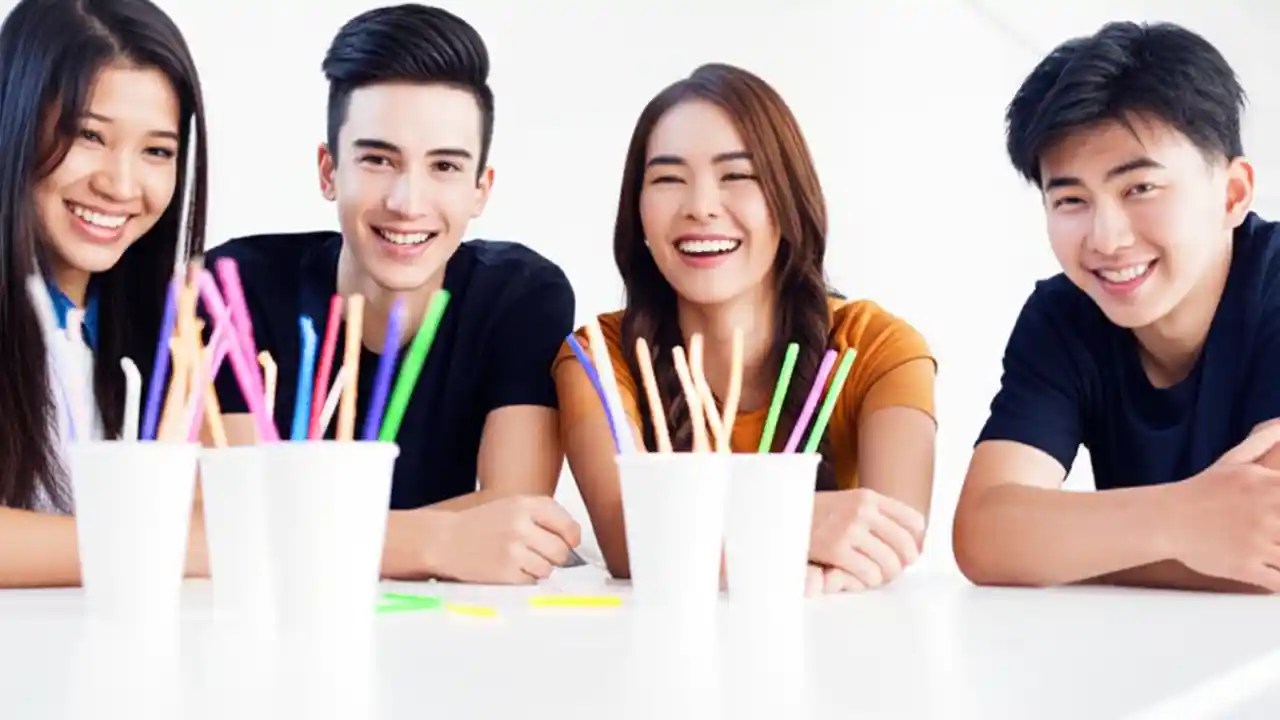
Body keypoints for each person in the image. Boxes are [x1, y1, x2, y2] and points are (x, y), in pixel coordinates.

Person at [206, 4, 582, 585]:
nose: (408, 201)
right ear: (328, 170)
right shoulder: (237, 285)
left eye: (445, 167)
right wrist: (437, 541)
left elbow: (514, 521)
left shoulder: (520, 295)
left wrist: (297, 539)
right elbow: (222, 527)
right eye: (378, 160)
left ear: (481, 188)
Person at [554, 63, 937, 593]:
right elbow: (631, 544)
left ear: (788, 199)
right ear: (636, 213)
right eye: (668, 179)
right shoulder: (597, 357)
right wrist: (800, 525)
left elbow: (887, 538)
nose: (701, 208)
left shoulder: (877, 348)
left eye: (737, 176)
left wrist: (720, 547)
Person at [954, 21, 1280, 593]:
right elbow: (985, 536)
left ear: (1233, 193)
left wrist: (1076, 546)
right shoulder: (1061, 318)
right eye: (1072, 200)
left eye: (1140, 189)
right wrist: (1184, 521)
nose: (1106, 238)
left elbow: (1268, 550)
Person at [0, 0, 210, 586]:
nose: (120, 184)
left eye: (157, 151)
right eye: (88, 135)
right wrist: (174, 547)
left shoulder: (166, 338)